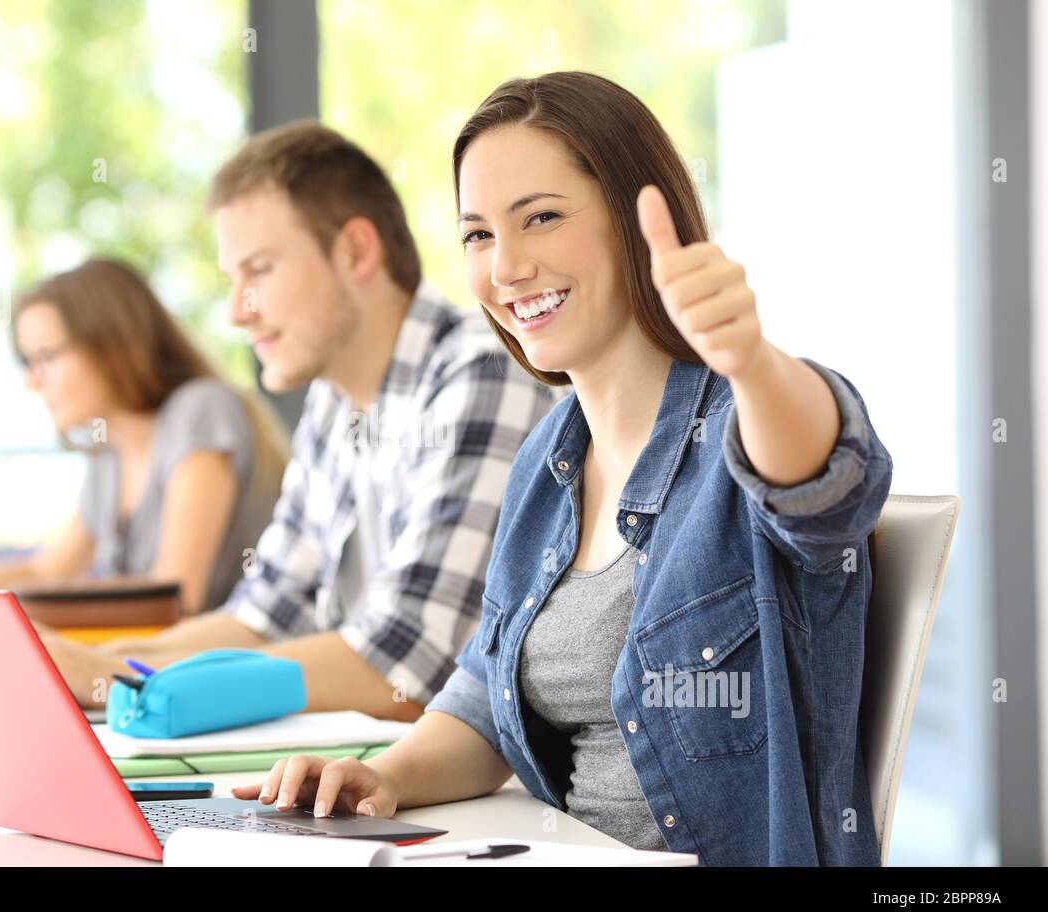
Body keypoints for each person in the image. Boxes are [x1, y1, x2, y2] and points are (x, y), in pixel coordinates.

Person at [235, 72, 894, 867]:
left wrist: (751, 361)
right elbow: (485, 697)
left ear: (630, 221)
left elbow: (823, 480)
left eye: (541, 218)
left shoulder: (747, 424)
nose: (506, 267)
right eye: (478, 235)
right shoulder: (546, 465)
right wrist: (377, 779)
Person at [38, 122, 558, 721]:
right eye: (231, 281)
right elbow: (265, 615)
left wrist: (117, 678)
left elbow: (408, 664)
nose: (237, 311)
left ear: (356, 251)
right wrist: (101, 663)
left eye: (258, 271)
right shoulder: (333, 403)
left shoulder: (480, 367)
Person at [0, 257, 288, 615]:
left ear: (111, 347)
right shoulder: (109, 457)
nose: (32, 381)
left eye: (46, 357)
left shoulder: (199, 413)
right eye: (28, 362)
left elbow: (174, 601)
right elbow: (48, 572)